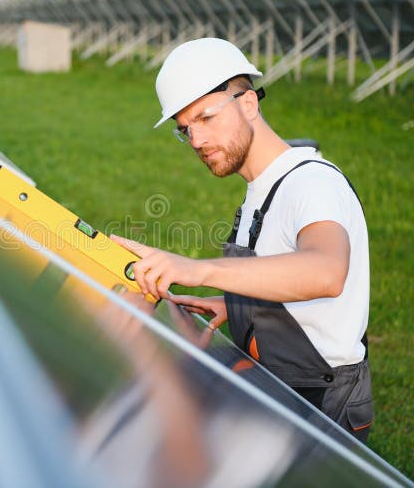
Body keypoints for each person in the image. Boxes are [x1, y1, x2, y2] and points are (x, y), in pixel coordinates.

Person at [110, 38, 373, 443]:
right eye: (185, 129)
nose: (196, 140)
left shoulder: (311, 183)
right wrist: (231, 309)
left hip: (321, 402)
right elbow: (287, 281)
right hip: (278, 378)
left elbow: (325, 272)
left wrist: (197, 269)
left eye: (206, 118)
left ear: (248, 104)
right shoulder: (261, 187)